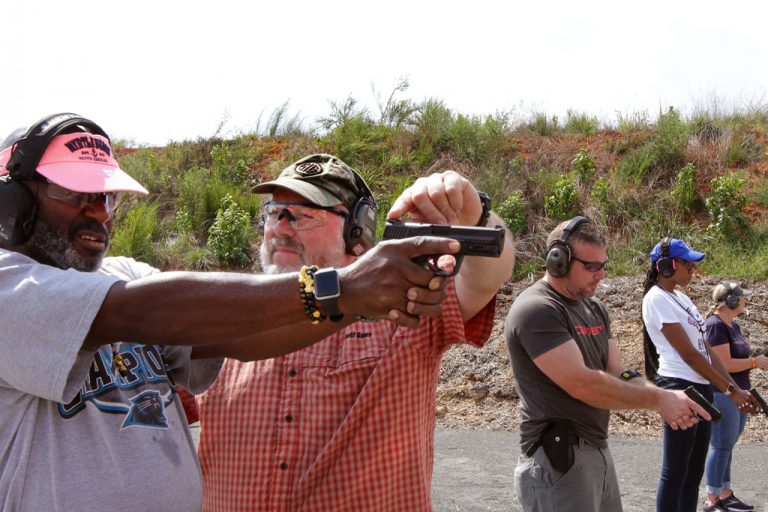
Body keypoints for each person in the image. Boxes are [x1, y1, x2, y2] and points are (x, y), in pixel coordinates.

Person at [0, 114, 459, 511]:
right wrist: (342, 288)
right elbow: (141, 311)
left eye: (105, 197)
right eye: (74, 192)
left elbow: (239, 336)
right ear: (13, 202)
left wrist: (354, 302)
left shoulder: (121, 273)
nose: (98, 213)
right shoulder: (11, 285)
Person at [192, 153, 515, 511]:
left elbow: (486, 278)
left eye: (303, 214)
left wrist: (475, 214)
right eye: (274, 212)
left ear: (355, 230)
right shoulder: (225, 317)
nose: (281, 228)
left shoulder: (401, 302)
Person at [505, 217, 710, 512]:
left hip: (596, 449)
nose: (600, 275)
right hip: (558, 458)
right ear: (557, 260)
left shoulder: (594, 308)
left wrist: (667, 397)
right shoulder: (537, 310)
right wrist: (660, 399)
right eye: (591, 266)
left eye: (603, 265)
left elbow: (619, 371)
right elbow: (583, 383)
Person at [641, 238, 759, 512]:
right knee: (675, 472)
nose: (693, 268)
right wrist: (731, 391)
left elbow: (706, 350)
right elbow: (690, 356)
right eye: (687, 263)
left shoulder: (681, 298)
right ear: (668, 267)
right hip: (680, 387)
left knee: (693, 473)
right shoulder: (656, 298)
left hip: (700, 387)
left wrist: (732, 388)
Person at [703, 282, 768, 512]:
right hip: (723, 393)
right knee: (721, 445)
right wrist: (754, 362)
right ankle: (712, 498)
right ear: (730, 301)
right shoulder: (715, 325)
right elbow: (724, 364)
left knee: (727, 445)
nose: (744, 301)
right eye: (741, 298)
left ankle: (725, 493)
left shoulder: (733, 325)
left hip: (740, 392)